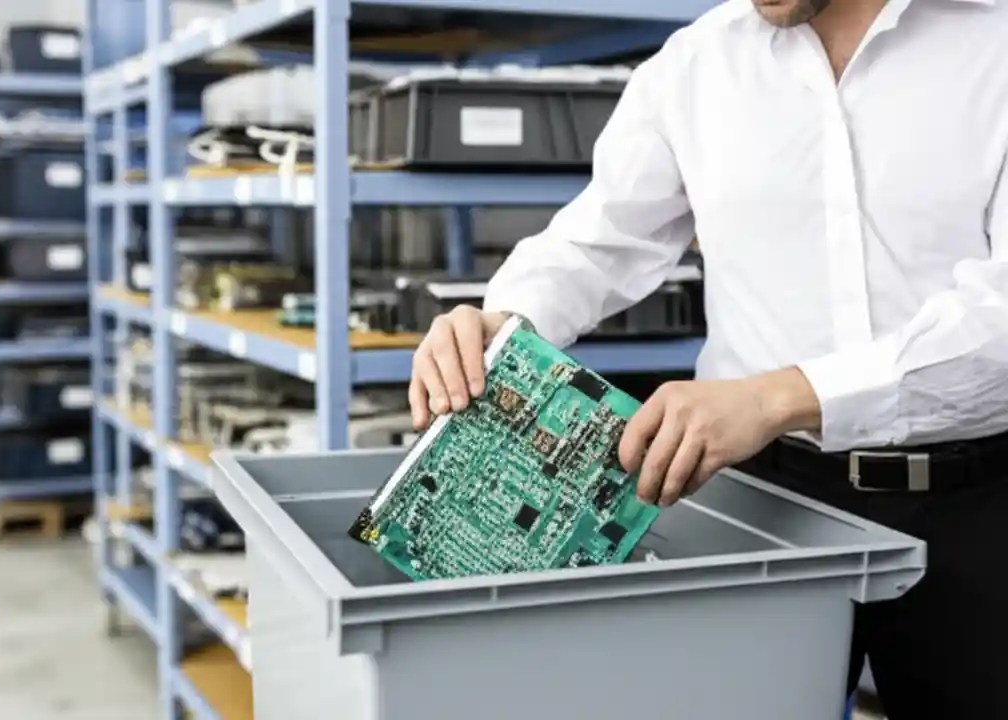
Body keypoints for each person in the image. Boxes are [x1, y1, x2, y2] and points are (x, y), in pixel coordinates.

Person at [406, 0, 1008, 717]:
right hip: (767, 505)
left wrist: (773, 397)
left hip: (980, 509)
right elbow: (601, 241)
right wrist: (502, 320)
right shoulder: (695, 64)